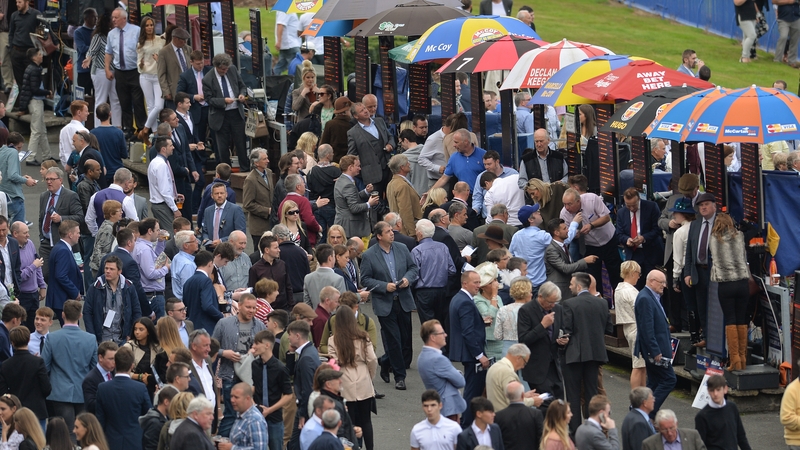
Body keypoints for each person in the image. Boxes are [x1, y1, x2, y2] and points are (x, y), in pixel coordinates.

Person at [361, 221, 419, 391]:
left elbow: (413, 268)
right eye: (387, 232)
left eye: (392, 231)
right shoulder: (369, 255)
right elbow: (365, 279)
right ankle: (400, 377)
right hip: (385, 302)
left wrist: (408, 278)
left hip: (403, 299)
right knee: (393, 339)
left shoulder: (401, 248)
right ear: (379, 236)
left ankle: (385, 361)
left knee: (404, 339)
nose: (392, 233)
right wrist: (384, 286)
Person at [562, 273, 612, 433]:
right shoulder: (602, 303)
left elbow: (567, 330)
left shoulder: (569, 304)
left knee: (573, 395)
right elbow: (609, 329)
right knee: (592, 392)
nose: (569, 287)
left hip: (573, 355)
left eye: (571, 284)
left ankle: (575, 433)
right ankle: (594, 429)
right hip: (595, 354)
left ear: (578, 286)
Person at [41, 300, 97, 442]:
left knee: (66, 432)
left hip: (59, 391)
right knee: (83, 432)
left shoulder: (52, 337)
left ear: (63, 314)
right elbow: (95, 367)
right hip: (83, 390)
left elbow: (44, 367)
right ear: (80, 316)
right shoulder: (90, 338)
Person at [211, 293, 265, 436]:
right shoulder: (224, 323)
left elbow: (266, 347)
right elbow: (211, 346)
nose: (251, 311)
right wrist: (224, 353)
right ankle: (221, 443)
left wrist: (257, 351)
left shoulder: (260, 325)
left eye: (254, 308)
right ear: (239, 306)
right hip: (230, 374)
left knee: (249, 412)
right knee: (231, 413)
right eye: (248, 307)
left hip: (251, 376)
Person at [327, 305, 377, 449]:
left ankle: (354, 447)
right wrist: (369, 375)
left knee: (350, 421)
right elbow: (372, 359)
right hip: (363, 377)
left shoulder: (333, 340)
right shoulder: (363, 337)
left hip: (344, 379)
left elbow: (333, 363)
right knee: (366, 420)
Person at [560, 188, 622, 293]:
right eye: (564, 204)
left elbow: (606, 217)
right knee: (593, 278)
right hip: (590, 246)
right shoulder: (564, 213)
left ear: (578, 201)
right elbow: (566, 235)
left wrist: (591, 225)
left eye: (569, 204)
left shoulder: (592, 199)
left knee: (615, 274)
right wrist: (576, 234)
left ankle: (619, 300)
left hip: (608, 240)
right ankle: (599, 304)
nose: (567, 207)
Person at [709, 213, 751, 371]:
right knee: (741, 319)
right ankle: (743, 358)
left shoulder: (713, 238)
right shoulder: (739, 236)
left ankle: (735, 360)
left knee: (730, 320)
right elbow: (751, 232)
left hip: (725, 284)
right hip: (742, 283)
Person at [633, 270, 676, 419]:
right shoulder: (645, 298)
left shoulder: (652, 296)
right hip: (655, 351)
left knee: (654, 381)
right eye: (661, 282)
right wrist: (655, 350)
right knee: (669, 379)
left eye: (665, 282)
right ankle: (648, 412)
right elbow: (647, 328)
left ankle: (637, 410)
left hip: (656, 349)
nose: (664, 285)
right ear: (651, 281)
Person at [449, 271, 489, 427]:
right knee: (472, 392)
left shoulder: (459, 298)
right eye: (475, 283)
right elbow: (468, 332)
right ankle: (466, 424)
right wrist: (480, 355)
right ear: (465, 283)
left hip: (466, 352)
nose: (478, 286)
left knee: (471, 390)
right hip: (471, 355)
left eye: (479, 282)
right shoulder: (465, 301)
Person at [203, 53, 250, 171]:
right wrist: (223, 101)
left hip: (236, 113)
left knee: (241, 143)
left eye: (227, 68)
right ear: (217, 67)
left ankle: (244, 169)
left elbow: (242, 86)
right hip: (220, 117)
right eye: (223, 69)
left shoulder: (232, 70)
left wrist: (242, 94)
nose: (226, 71)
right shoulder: (208, 79)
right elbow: (209, 99)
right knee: (223, 148)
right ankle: (226, 173)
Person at [105, 8, 146, 140]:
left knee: (138, 101)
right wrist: (107, 69)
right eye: (112, 17)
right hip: (120, 72)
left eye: (116, 17)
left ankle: (141, 127)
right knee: (124, 101)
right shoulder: (111, 34)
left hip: (134, 70)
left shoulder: (136, 30)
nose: (113, 20)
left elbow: (143, 48)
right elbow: (109, 52)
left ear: (124, 18)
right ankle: (128, 128)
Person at [683, 192, 718, 348]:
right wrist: (688, 273)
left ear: (714, 206)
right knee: (701, 307)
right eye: (701, 205)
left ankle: (716, 339)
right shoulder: (696, 224)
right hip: (698, 271)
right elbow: (689, 251)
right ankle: (706, 337)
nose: (703, 208)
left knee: (715, 306)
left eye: (706, 205)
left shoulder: (720, 222)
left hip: (715, 272)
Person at [0, 326, 50, 428]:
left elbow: (3, 392)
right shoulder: (37, 362)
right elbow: (47, 388)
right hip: (37, 410)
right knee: (38, 441)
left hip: (16, 411)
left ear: (12, 343)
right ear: (28, 339)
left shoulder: (5, 365)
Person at [84, 255, 141, 344]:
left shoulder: (129, 287)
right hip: (102, 339)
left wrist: (131, 333)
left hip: (123, 338)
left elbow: (136, 311)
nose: (107, 271)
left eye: (111, 269)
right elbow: (87, 312)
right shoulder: (95, 287)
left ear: (119, 271)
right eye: (106, 268)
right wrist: (92, 335)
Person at [251, 329, 293, 450]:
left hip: (274, 417)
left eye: (257, 343)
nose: (253, 346)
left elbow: (288, 395)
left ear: (267, 345)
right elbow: (255, 386)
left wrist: (269, 410)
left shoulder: (280, 368)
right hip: (257, 415)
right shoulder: (255, 365)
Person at [417, 319, 466, 420]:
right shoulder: (438, 359)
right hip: (448, 408)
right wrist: (457, 373)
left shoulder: (422, 356)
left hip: (439, 406)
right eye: (442, 333)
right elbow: (460, 382)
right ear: (433, 337)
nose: (446, 335)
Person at [616, 188, 662, 289]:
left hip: (650, 252)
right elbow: (619, 234)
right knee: (635, 286)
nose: (632, 208)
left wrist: (643, 238)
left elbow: (657, 229)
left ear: (639, 199)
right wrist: (626, 240)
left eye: (634, 205)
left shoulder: (651, 207)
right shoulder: (621, 212)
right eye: (628, 205)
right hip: (633, 254)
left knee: (652, 286)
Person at [347, 102, 395, 192]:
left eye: (365, 108)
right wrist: (347, 173)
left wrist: (390, 145)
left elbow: (390, 136)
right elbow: (351, 154)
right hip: (371, 176)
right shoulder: (352, 133)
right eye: (362, 110)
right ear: (356, 116)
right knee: (376, 203)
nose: (366, 111)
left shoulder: (380, 121)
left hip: (389, 170)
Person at [287, 319, 320, 448]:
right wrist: (290, 353)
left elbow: (307, 389)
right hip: (305, 408)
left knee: (296, 444)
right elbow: (291, 371)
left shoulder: (306, 358)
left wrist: (302, 415)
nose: (288, 337)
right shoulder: (309, 351)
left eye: (289, 334)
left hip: (305, 409)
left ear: (297, 336)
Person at [695, 375, 750, 450]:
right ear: (708, 391)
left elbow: (741, 436)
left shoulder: (732, 407)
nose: (715, 394)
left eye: (718, 390)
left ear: (725, 389)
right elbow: (700, 445)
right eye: (712, 390)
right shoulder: (702, 416)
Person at [44, 220, 84, 323]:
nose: (79, 235)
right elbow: (61, 275)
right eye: (77, 233)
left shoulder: (60, 247)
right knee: (72, 330)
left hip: (60, 299)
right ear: (70, 235)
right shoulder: (63, 251)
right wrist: (75, 292)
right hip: (63, 300)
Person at [544, 217, 593, 299]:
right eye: (564, 229)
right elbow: (565, 268)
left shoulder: (563, 246)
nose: (568, 230)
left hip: (566, 288)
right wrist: (584, 261)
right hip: (559, 290)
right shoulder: (551, 250)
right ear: (557, 232)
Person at [615, 261, 646, 389]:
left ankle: (643, 394)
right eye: (638, 273)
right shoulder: (629, 291)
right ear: (633, 273)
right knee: (638, 366)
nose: (639, 276)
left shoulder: (619, 288)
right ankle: (636, 397)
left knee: (641, 365)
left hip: (629, 327)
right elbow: (640, 309)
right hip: (636, 327)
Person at [485, 343, 543, 411]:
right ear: (519, 358)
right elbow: (514, 402)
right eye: (524, 363)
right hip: (505, 418)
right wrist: (533, 401)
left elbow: (502, 395)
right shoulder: (508, 373)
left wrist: (523, 396)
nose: (523, 367)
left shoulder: (495, 366)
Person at [510, 204, 552, 293]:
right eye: (536, 212)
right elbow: (563, 240)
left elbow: (511, 256)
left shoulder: (516, 236)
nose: (539, 213)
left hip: (522, 283)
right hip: (539, 283)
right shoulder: (541, 236)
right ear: (531, 219)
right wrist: (574, 224)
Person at [333, 156, 378, 239]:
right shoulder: (348, 185)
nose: (360, 168)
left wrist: (366, 192)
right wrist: (369, 204)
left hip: (344, 225)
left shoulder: (341, 180)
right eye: (357, 166)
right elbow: (354, 208)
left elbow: (352, 198)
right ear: (350, 167)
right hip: (350, 228)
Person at [216, 383, 268, 450]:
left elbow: (260, 448)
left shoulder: (255, 420)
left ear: (247, 399)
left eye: (236, 397)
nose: (232, 400)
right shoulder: (241, 415)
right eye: (231, 396)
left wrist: (232, 448)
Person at [494, 381, 544, 450]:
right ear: (523, 395)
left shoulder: (498, 416)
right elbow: (541, 438)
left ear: (506, 395)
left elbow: (497, 441)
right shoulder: (535, 414)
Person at [183, 250, 223, 334]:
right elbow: (207, 306)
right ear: (210, 264)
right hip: (206, 328)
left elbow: (186, 304)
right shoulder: (206, 281)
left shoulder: (188, 282)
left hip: (192, 327)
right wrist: (221, 317)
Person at [386, 154, 422, 236]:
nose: (409, 164)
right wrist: (412, 233)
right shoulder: (402, 185)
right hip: (405, 231)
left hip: (398, 228)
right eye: (407, 163)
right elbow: (405, 211)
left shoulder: (391, 183)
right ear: (402, 167)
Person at [474, 263, 503, 361]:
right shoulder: (478, 300)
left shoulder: (498, 297)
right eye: (491, 283)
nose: (495, 284)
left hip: (502, 339)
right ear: (482, 287)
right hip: (490, 342)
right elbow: (489, 316)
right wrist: (494, 295)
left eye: (495, 280)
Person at [82, 341, 118, 414]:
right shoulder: (90, 379)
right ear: (100, 358)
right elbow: (91, 405)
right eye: (111, 359)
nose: (114, 362)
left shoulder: (115, 374)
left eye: (115, 359)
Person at [140, 385, 177, 450]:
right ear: (166, 402)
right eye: (174, 403)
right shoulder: (155, 423)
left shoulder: (166, 418)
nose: (176, 407)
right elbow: (151, 447)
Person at [774, 0, 800, 67]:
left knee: (794, 40)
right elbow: (774, 1)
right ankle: (777, 59)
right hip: (783, 18)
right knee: (783, 36)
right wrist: (789, 2)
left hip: (796, 17)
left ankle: (792, 61)